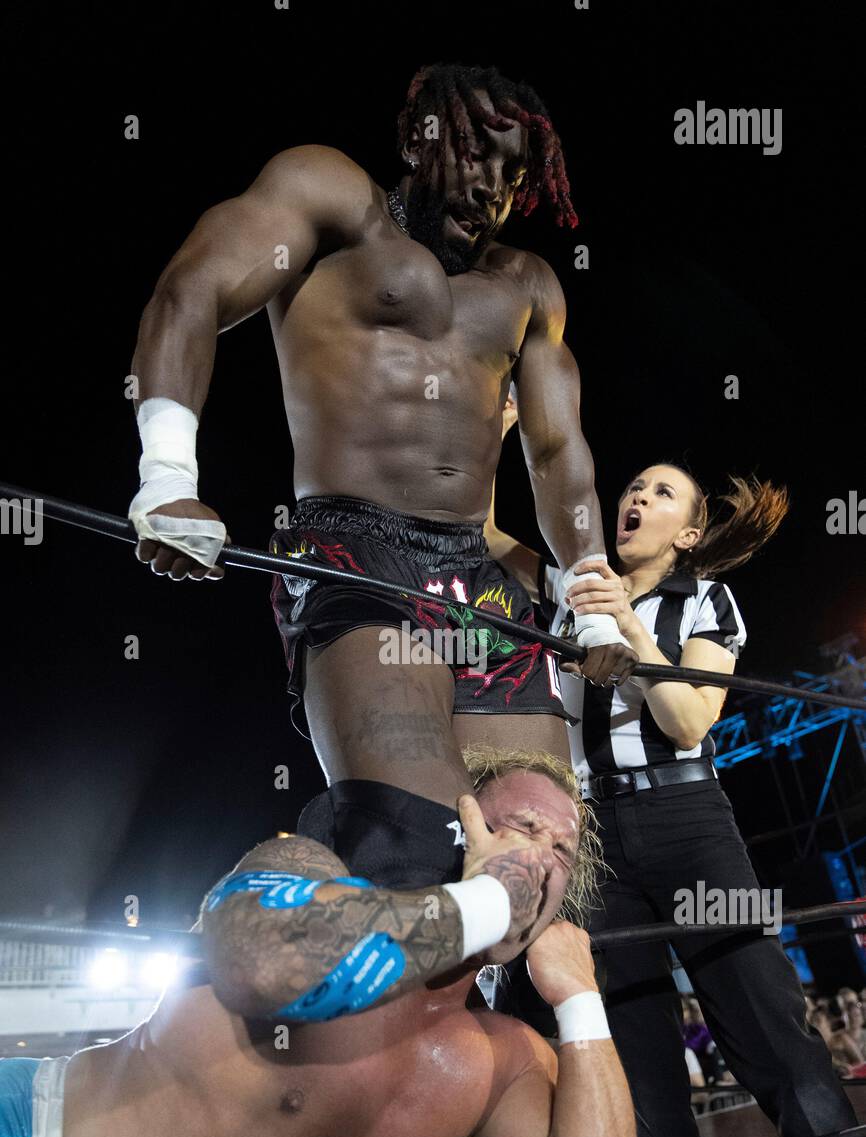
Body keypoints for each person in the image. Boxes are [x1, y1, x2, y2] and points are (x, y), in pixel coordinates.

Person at [127, 61, 637, 906]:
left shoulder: (527, 287)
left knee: (541, 842)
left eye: (515, 176)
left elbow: (556, 453)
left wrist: (589, 592)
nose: (495, 190)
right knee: (419, 842)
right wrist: (168, 475)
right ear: (415, 138)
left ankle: (529, 1032)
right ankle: (292, 973)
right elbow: (193, 289)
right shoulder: (327, 197)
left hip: (480, 577)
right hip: (352, 551)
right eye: (477, 155)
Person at [0, 747, 639, 1137]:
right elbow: (266, 958)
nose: (542, 863)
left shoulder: (502, 1059)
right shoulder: (310, 869)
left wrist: (579, 998)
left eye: (562, 849)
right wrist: (490, 898)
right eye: (522, 828)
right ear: (456, 824)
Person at [486, 453, 866, 1137]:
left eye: (660, 493)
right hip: (597, 848)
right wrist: (497, 421)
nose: (635, 498)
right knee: (651, 1096)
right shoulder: (573, 589)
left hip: (690, 823)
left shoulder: (704, 599)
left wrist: (629, 626)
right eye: (631, 487)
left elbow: (688, 719)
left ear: (689, 531)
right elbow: (485, 534)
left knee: (782, 1054)